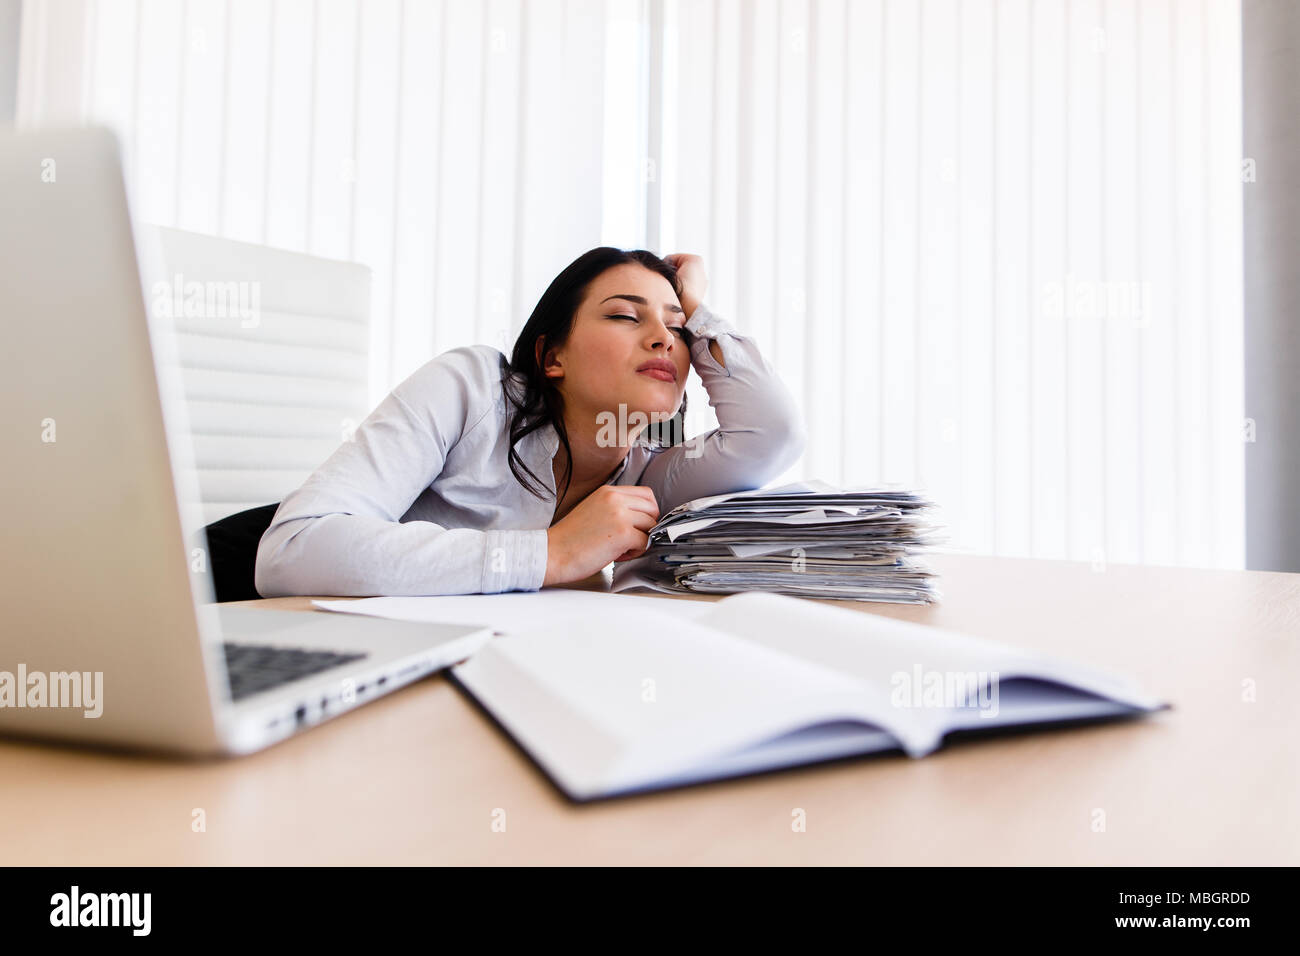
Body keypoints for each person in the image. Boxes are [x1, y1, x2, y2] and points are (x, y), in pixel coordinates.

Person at [254, 247, 805, 597]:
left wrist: (698, 308)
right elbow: (290, 553)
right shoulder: (470, 390)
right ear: (551, 357)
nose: (664, 337)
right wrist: (553, 553)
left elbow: (772, 435)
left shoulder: (649, 475)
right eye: (622, 315)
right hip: (230, 599)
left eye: (676, 325)